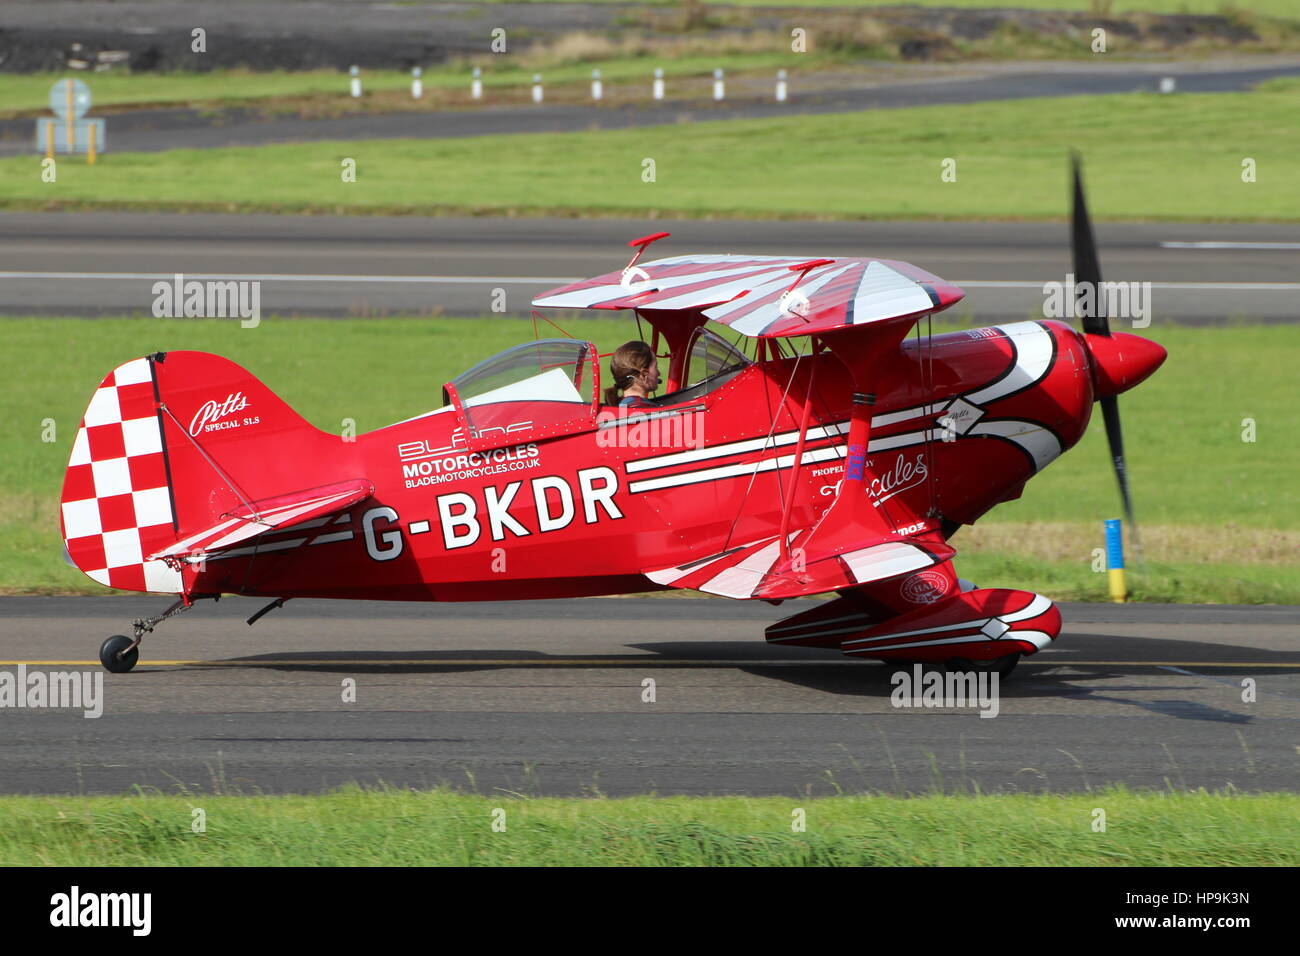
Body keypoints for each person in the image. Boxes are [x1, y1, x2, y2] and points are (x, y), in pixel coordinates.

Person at [605, 340, 660, 409]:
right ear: (643, 374)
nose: (659, 373)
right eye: (656, 367)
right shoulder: (644, 409)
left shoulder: (620, 404)